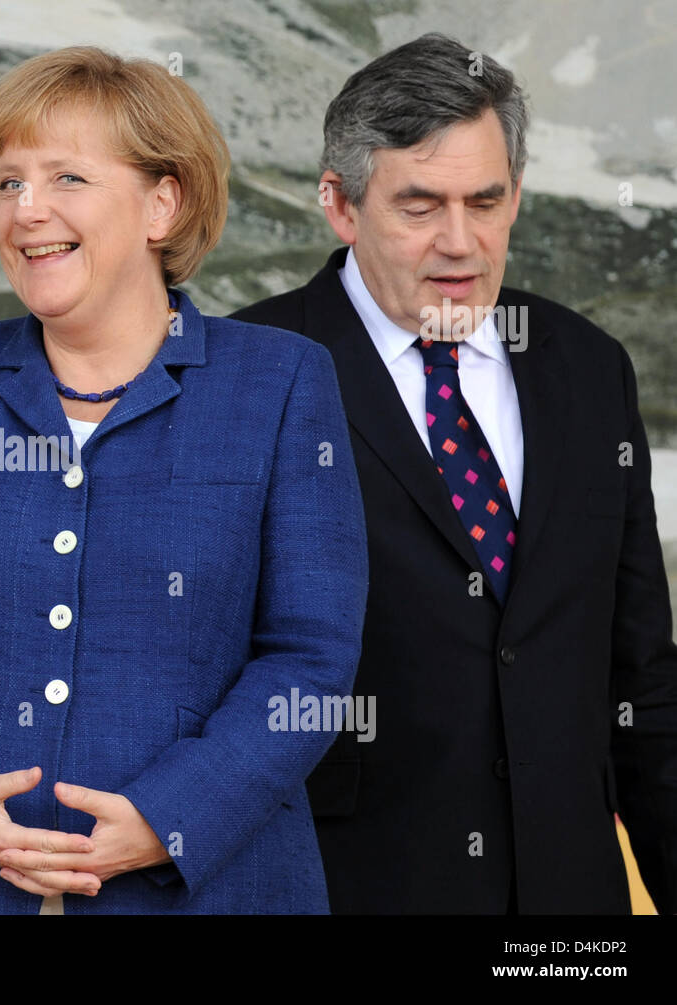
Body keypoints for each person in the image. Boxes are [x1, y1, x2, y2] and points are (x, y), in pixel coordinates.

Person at [0, 46, 368, 914]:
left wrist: (167, 818)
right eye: (8, 182)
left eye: (66, 177)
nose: (27, 211)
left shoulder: (282, 382)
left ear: (162, 202)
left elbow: (311, 658)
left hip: (208, 892)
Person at [234, 33, 677, 913]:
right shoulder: (245, 369)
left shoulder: (590, 369)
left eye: (486, 199)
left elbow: (644, 682)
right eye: (419, 205)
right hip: (338, 892)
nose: (460, 241)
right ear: (340, 204)